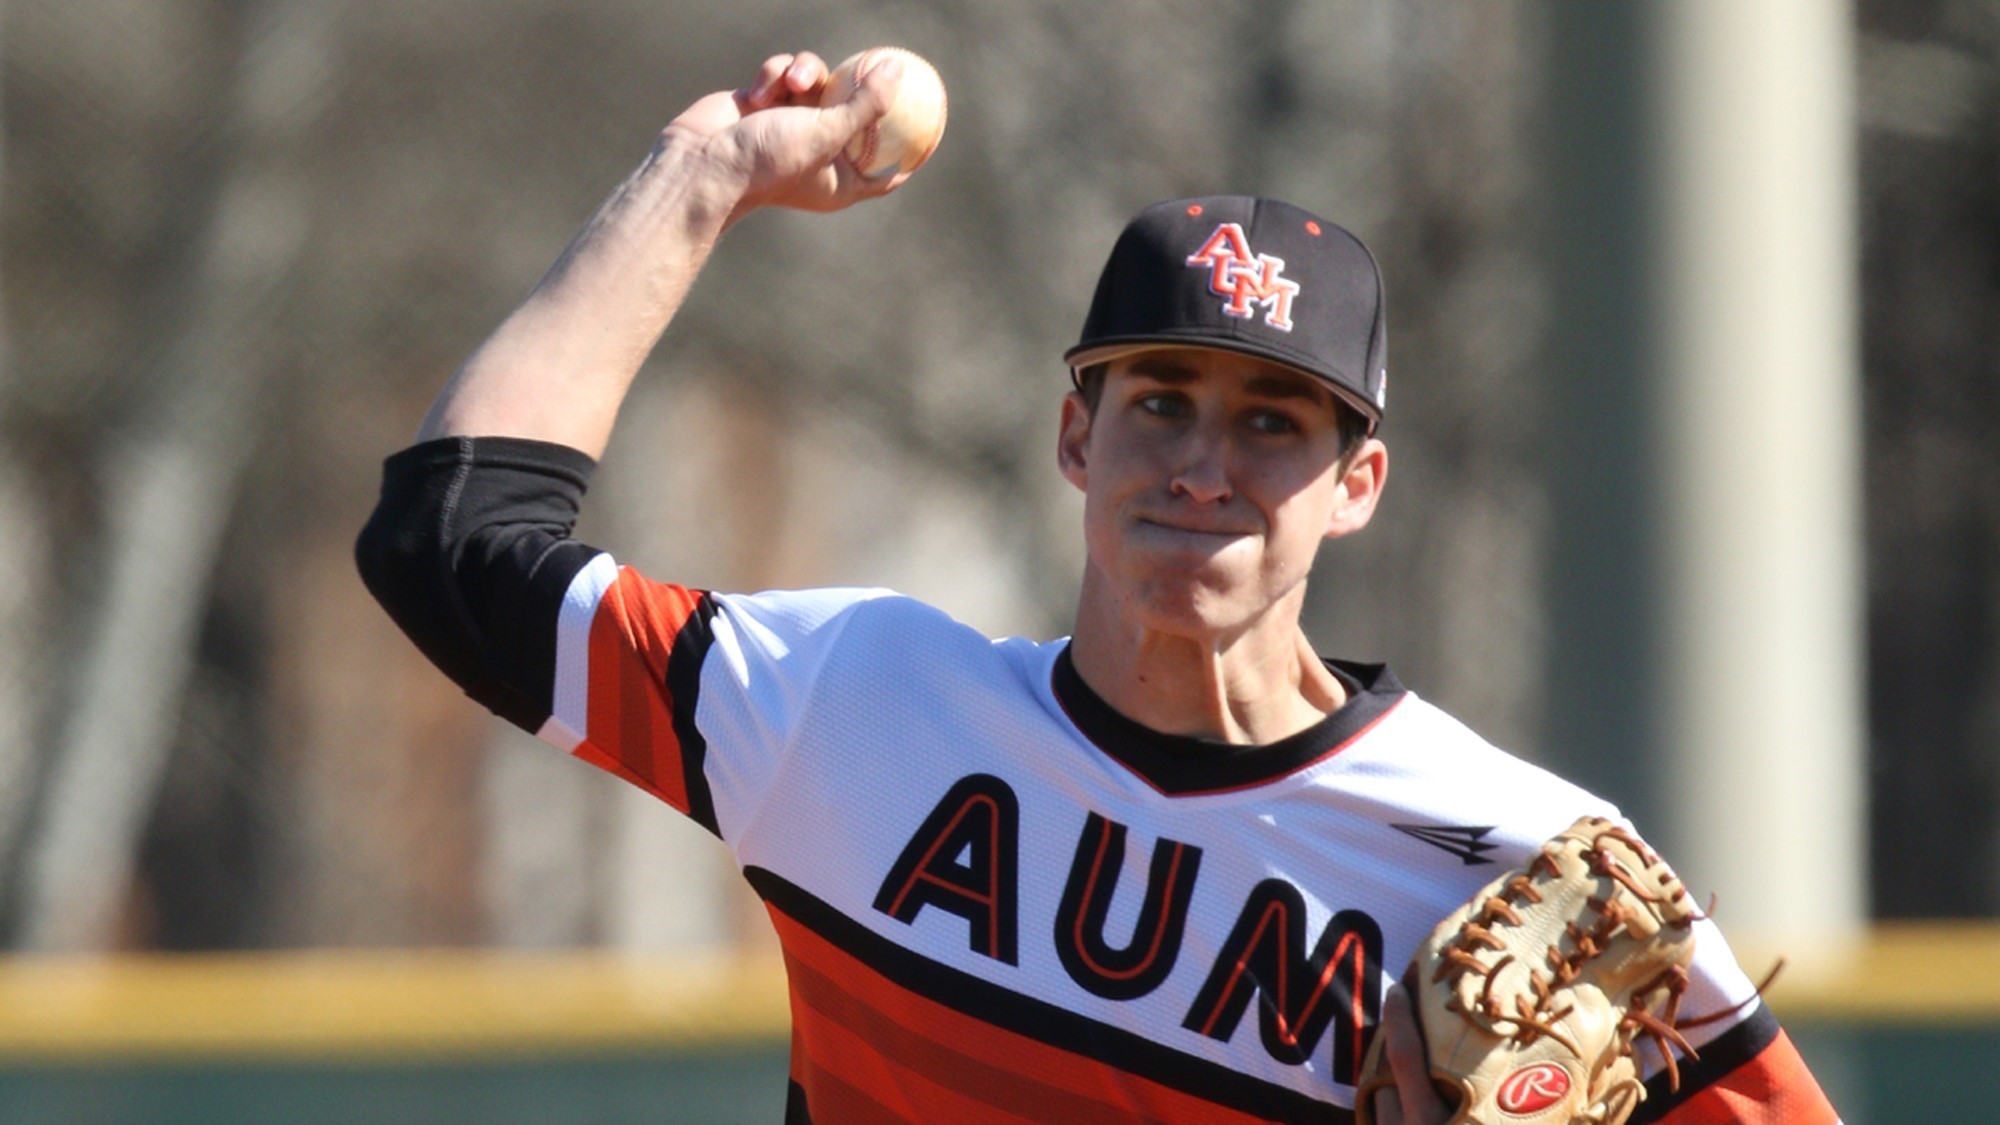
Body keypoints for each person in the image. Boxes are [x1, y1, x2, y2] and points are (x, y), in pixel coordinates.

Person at [356, 50, 1837, 1123]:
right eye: (1161, 401)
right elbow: (455, 549)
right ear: (1078, 434)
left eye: (1272, 422)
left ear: (1358, 484)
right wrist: (702, 177)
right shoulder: (856, 701)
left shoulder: (1521, 871)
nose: (1203, 463)